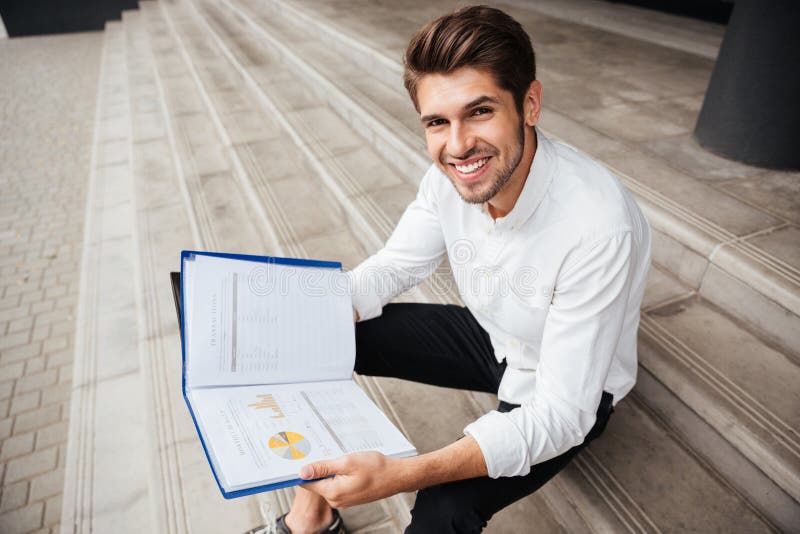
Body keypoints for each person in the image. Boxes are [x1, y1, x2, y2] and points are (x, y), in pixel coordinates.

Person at [273, 5, 651, 533]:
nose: (457, 146)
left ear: (530, 104)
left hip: (564, 385)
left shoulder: (599, 225)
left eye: (480, 112)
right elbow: (391, 268)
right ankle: (312, 512)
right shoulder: (450, 176)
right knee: (309, 338)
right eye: (437, 122)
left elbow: (564, 415)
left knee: (440, 509)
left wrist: (402, 473)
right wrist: (296, 313)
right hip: (495, 337)